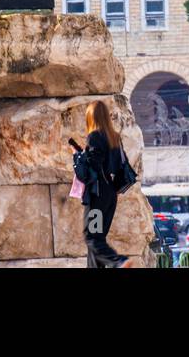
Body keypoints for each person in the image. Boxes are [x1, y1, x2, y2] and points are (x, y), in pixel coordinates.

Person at [71, 100, 133, 268]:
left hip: (98, 196)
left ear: (91, 118)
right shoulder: (114, 137)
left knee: (92, 238)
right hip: (110, 196)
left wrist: (78, 158)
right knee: (97, 241)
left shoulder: (95, 136)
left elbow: (90, 171)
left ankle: (118, 262)